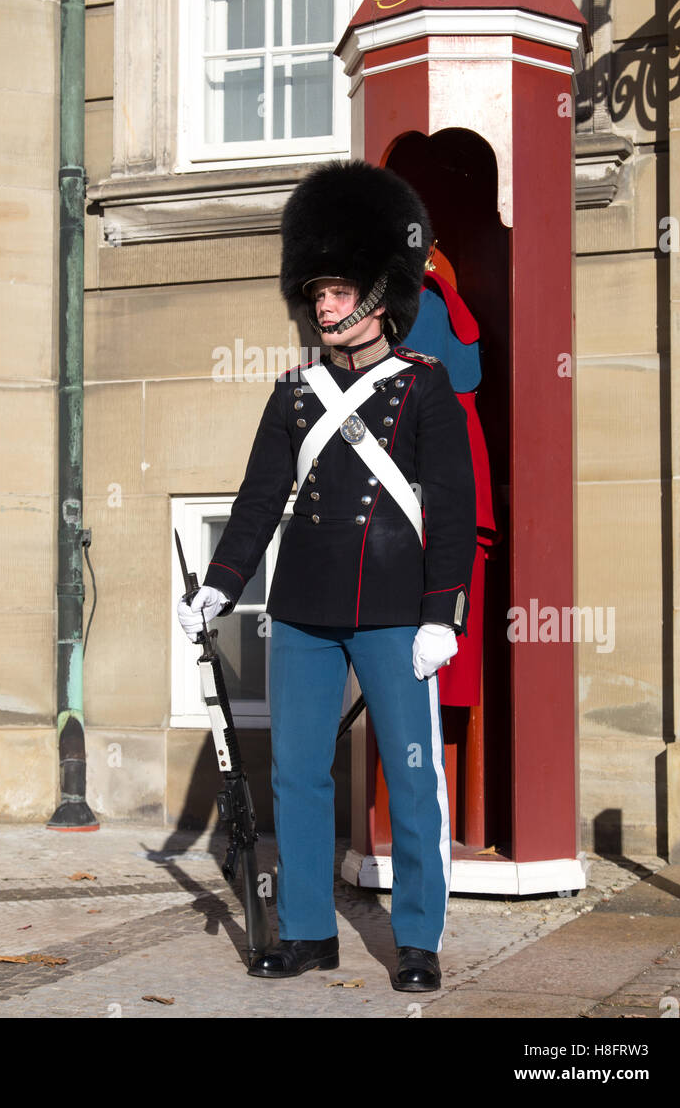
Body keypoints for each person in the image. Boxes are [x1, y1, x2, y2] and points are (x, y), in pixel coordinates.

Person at [177, 160, 476, 992]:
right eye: (316, 290)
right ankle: (310, 930)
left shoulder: (424, 388)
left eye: (339, 289)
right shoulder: (295, 395)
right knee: (297, 773)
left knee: (414, 773)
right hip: (304, 609)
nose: (323, 304)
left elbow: (451, 508)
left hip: (392, 612)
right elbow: (258, 498)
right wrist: (219, 582)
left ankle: (417, 938)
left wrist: (441, 614)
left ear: (381, 296)